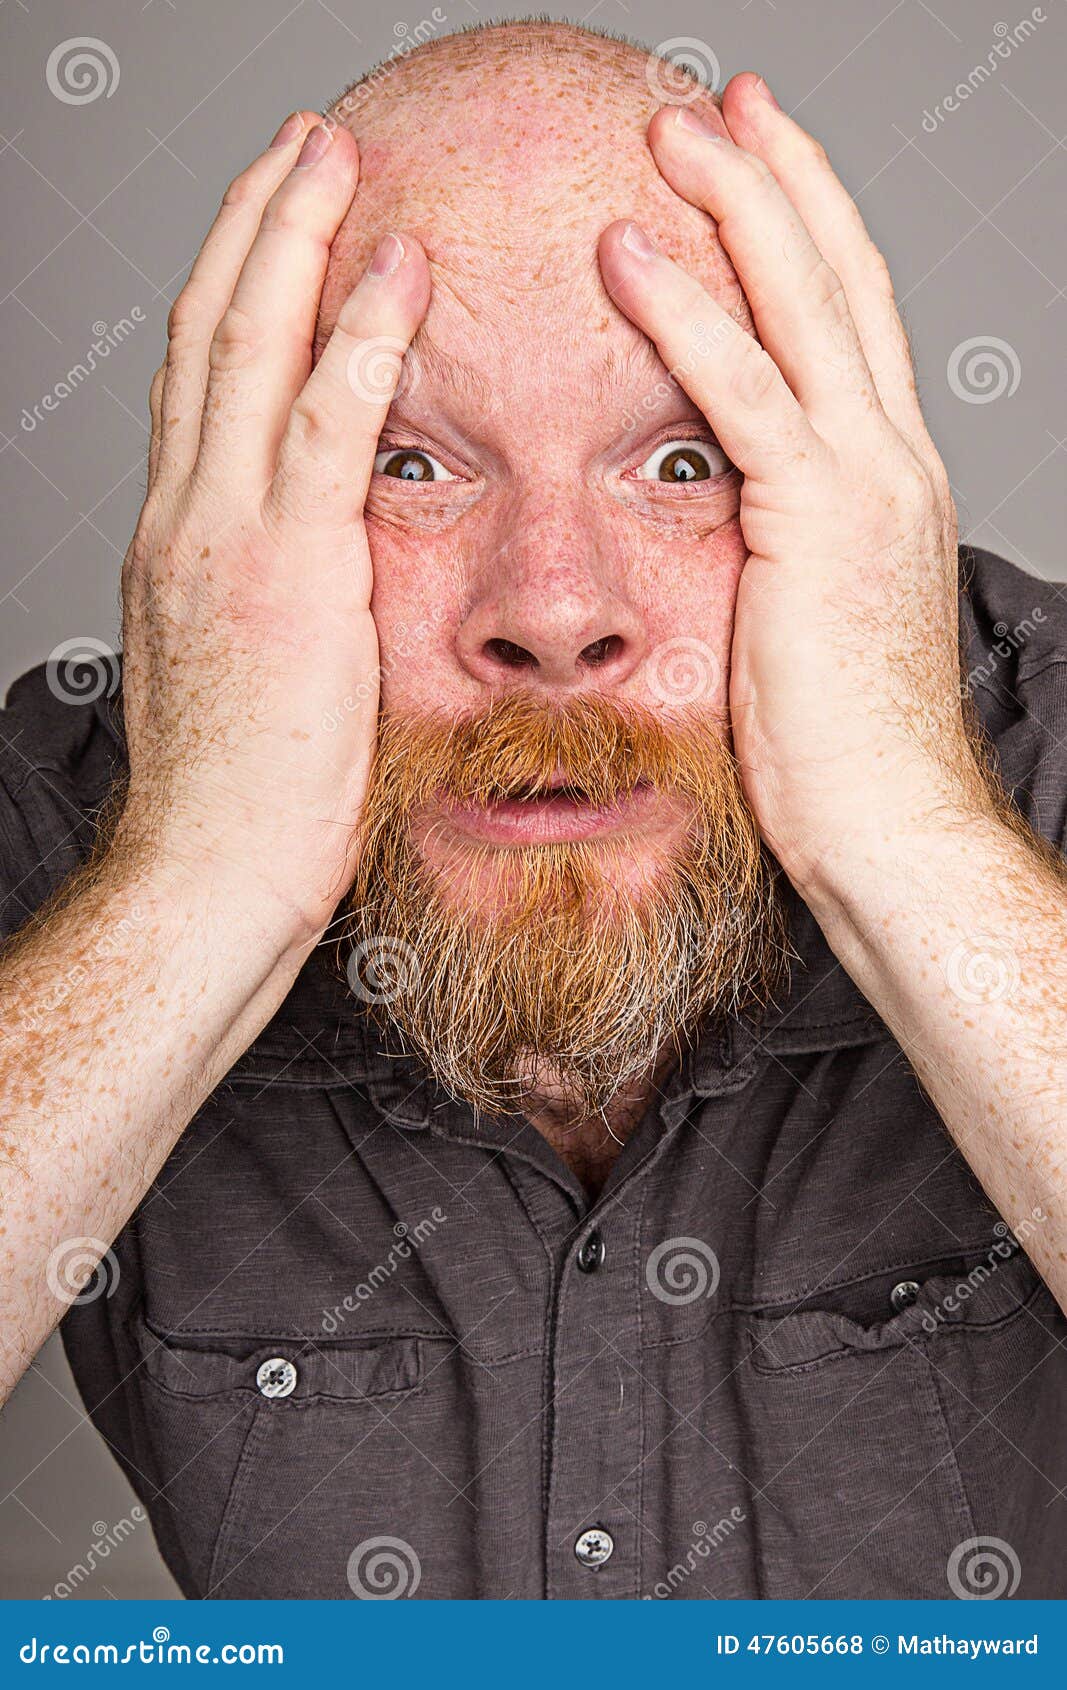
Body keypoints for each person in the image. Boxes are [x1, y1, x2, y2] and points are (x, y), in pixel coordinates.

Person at [1, 21, 1065, 1601]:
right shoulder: (76, 820)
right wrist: (196, 891)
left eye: (684, 456)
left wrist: (906, 842)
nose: (554, 610)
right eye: (409, 463)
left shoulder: (1033, 747)